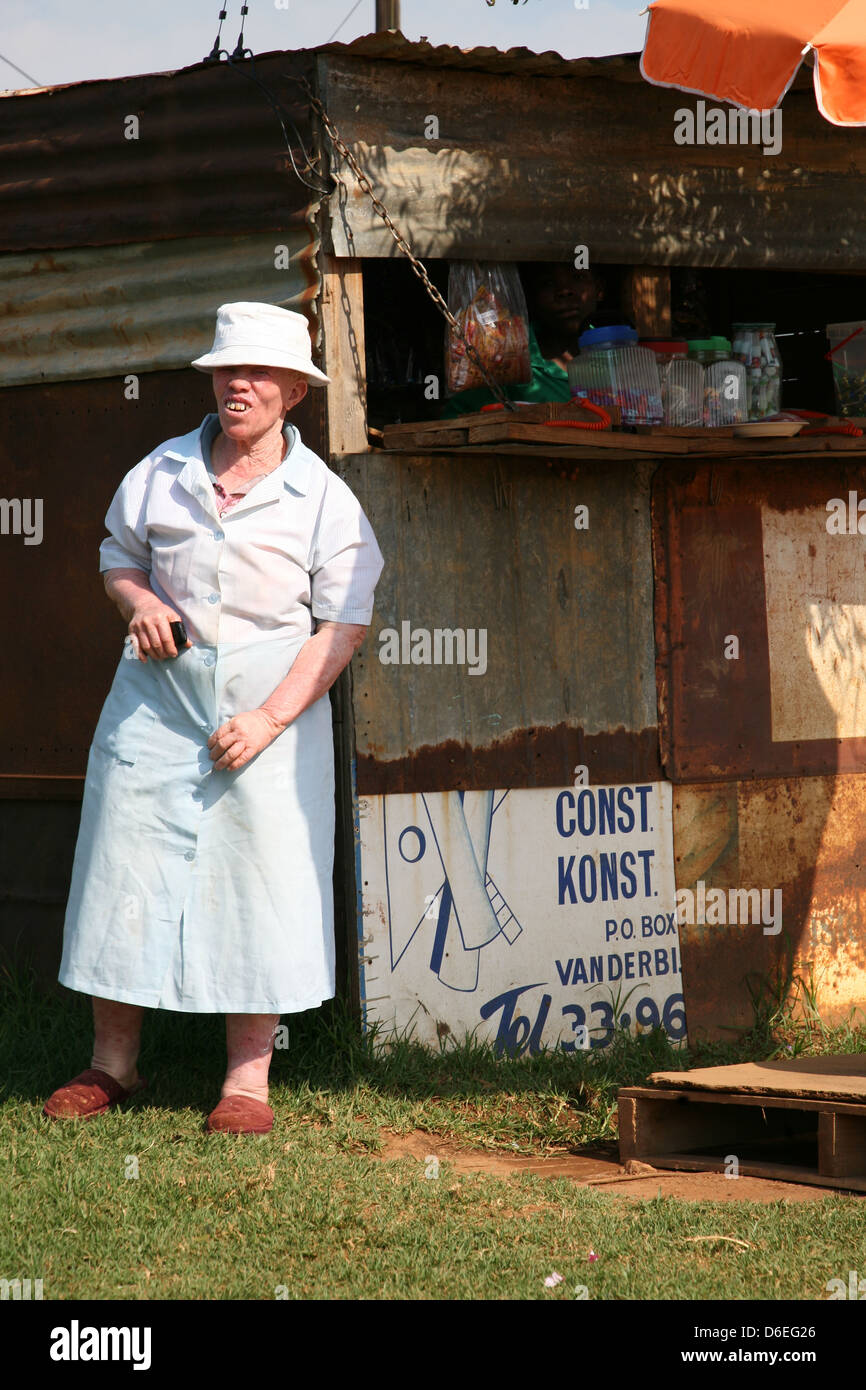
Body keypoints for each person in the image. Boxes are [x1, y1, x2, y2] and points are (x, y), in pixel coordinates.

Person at [43, 301, 384, 1135]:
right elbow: (116, 556)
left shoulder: (324, 500)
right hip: (155, 710)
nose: (239, 384)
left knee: (259, 882)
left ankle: (247, 1083)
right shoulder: (160, 471)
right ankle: (113, 1066)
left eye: (259, 373)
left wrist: (270, 719)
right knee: (125, 869)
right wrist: (139, 602)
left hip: (269, 720)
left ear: (293, 394)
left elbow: (342, 624)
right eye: (229, 370)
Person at [441, 262, 606, 415]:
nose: (564, 291)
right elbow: (456, 420)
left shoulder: (614, 353)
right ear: (531, 296)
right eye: (547, 283)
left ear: (599, 289)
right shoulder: (507, 359)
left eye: (578, 277)